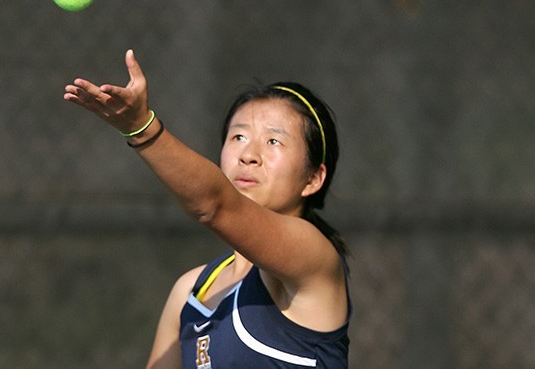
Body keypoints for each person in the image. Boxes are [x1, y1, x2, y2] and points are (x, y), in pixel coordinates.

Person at [63, 50, 351, 368]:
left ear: (313, 178)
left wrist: (142, 128)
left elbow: (215, 207)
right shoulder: (190, 289)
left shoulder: (315, 259)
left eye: (273, 142)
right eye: (238, 136)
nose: (248, 155)